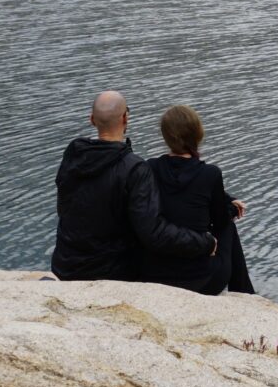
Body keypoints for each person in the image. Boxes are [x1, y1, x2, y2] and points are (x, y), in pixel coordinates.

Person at [50, 90, 215, 281]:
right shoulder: (134, 169)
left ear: (92, 119)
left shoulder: (73, 155)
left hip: (65, 266)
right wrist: (205, 243)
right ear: (125, 118)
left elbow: (63, 208)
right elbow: (153, 233)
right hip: (111, 273)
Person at [143, 103, 255, 295]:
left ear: (166, 137)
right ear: (198, 134)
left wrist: (226, 200)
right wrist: (232, 209)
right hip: (202, 279)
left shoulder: (149, 168)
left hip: (157, 273)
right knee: (227, 226)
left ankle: (245, 293)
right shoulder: (210, 174)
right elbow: (219, 220)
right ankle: (244, 294)